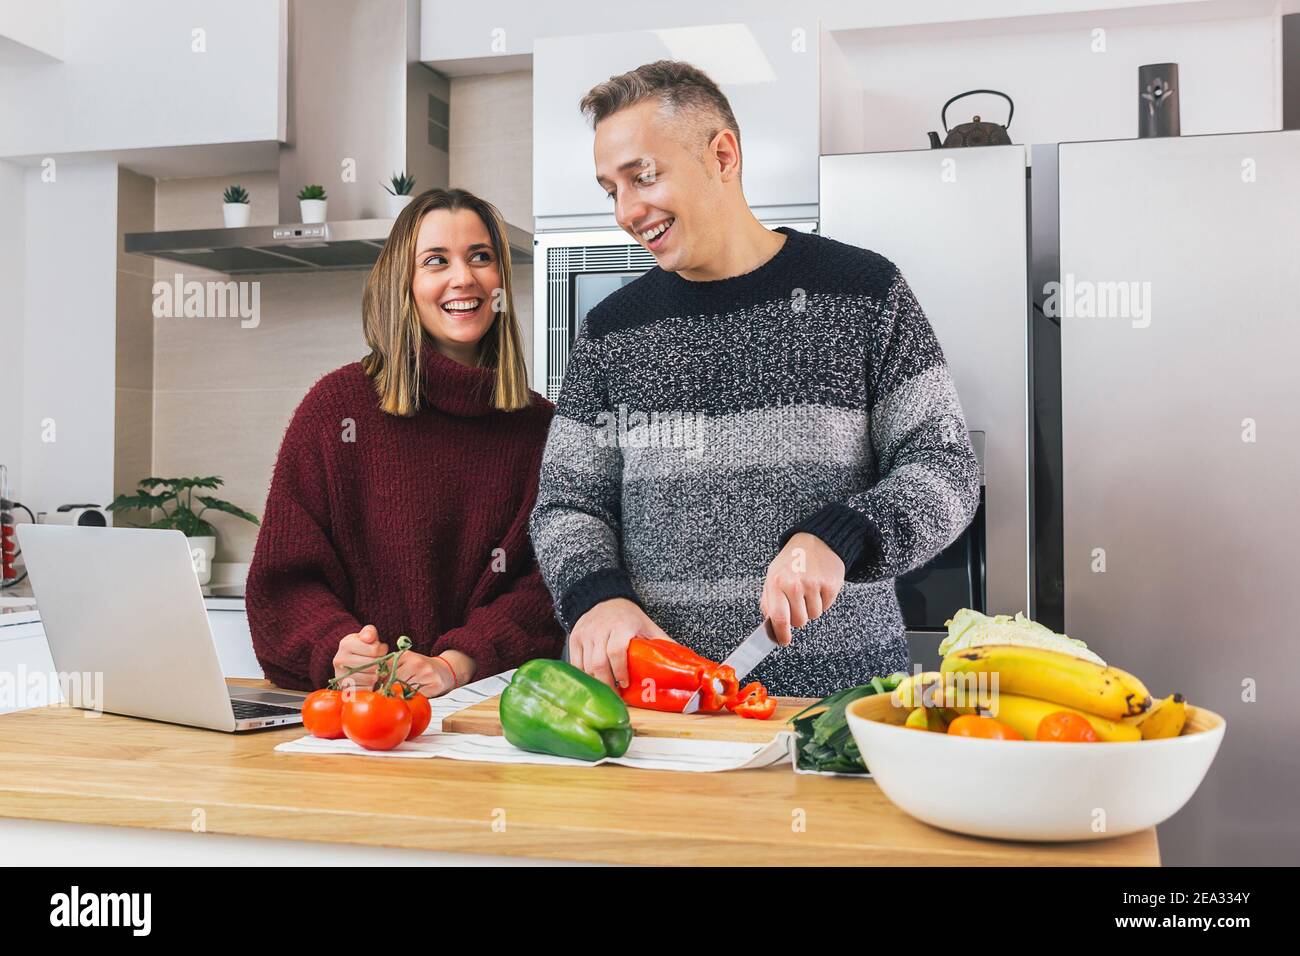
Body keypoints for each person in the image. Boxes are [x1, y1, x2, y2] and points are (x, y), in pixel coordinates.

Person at [529, 61, 981, 698]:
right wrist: (597, 598)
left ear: (723, 155)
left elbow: (946, 467)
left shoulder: (862, 291)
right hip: (659, 708)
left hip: (839, 708)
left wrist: (841, 534)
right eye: (611, 190)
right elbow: (566, 506)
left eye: (644, 177)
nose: (628, 211)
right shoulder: (611, 332)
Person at [247, 188, 563, 695]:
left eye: (480, 257)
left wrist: (454, 663)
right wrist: (338, 646)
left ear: (500, 279)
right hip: (357, 718)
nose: (463, 278)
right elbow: (283, 584)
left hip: (487, 714)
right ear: (405, 283)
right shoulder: (335, 410)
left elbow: (544, 589)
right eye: (436, 261)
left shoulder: (540, 428)